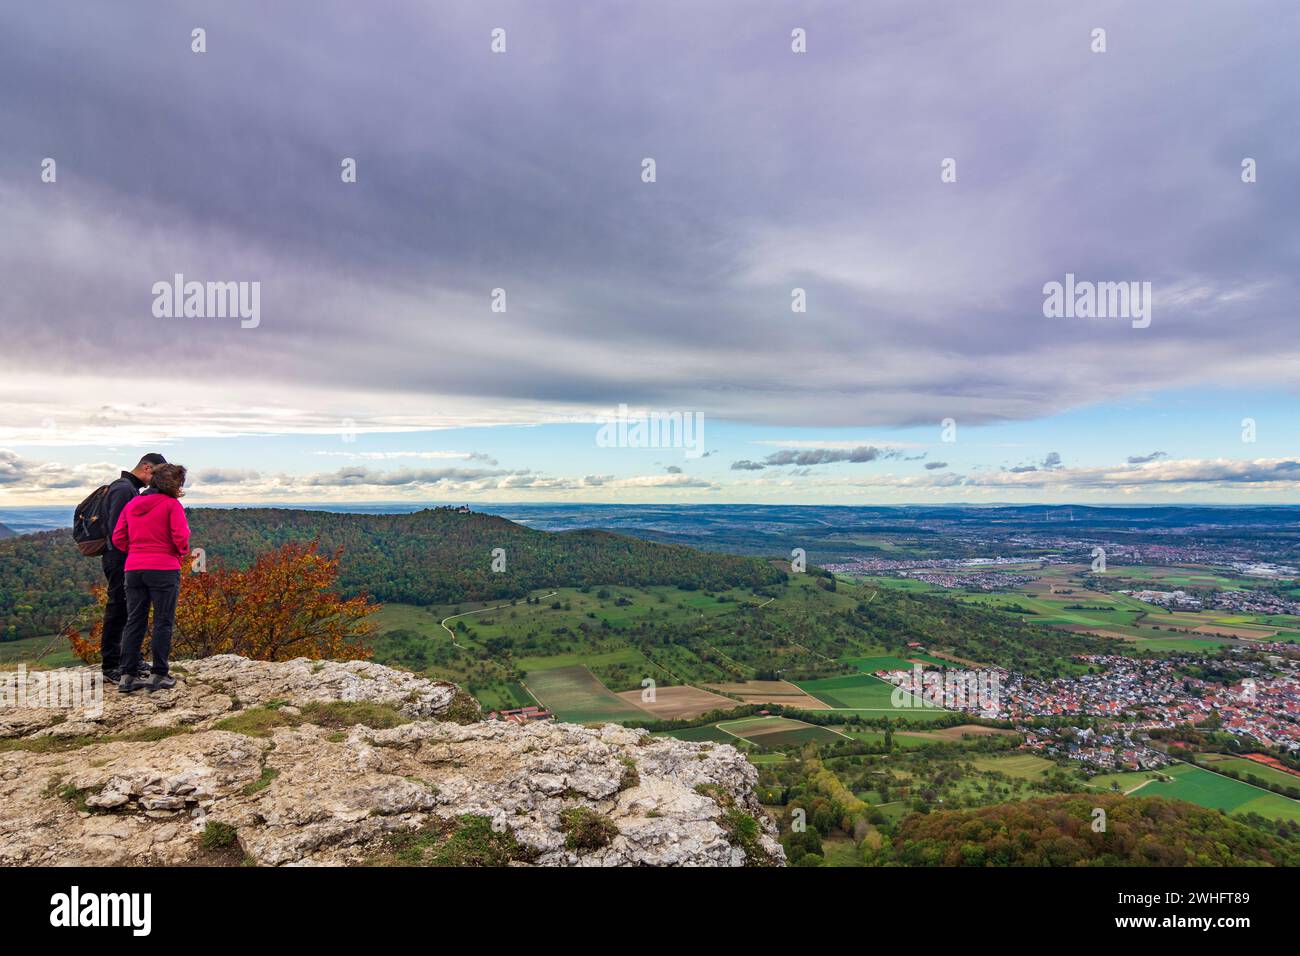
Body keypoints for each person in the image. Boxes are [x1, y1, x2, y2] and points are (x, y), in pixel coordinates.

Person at [112, 463, 190, 694]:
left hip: (134, 568)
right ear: (174, 483)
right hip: (164, 568)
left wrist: (136, 552)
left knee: (135, 620)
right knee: (163, 621)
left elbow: (118, 537)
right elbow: (181, 537)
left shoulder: (133, 503)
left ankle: (127, 675)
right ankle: (158, 674)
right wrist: (178, 553)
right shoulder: (171, 505)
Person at [99, 453, 167, 683]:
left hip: (126, 559)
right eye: (156, 474)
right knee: (118, 608)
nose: (157, 480)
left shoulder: (129, 489)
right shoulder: (123, 489)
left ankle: (131, 660)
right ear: (147, 468)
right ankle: (111, 665)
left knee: (131, 611)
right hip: (119, 559)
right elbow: (118, 530)